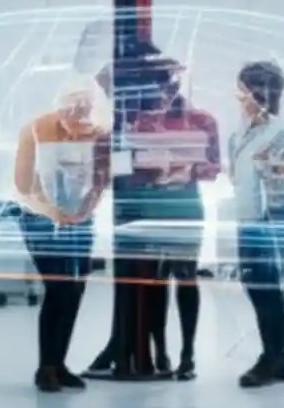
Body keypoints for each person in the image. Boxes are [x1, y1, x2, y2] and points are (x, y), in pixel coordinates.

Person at [89, 44, 220, 380]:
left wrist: (188, 168)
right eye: (157, 87)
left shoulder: (202, 120)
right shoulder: (137, 123)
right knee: (156, 280)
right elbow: (122, 163)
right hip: (150, 202)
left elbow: (214, 167)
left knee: (186, 277)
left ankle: (188, 354)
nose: (164, 93)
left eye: (169, 85)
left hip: (184, 202)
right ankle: (159, 350)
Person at [13, 77, 111, 392]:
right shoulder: (34, 129)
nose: (79, 116)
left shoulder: (97, 135)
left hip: (80, 218)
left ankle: (59, 362)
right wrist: (53, 212)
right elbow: (23, 184)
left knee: (76, 289)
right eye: (73, 109)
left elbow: (100, 181)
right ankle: (46, 367)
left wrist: (85, 210)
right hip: (40, 218)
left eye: (85, 110)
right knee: (58, 288)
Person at [229, 61, 284, 388]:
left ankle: (274, 359)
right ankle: (275, 357)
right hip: (247, 220)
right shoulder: (239, 135)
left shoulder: (280, 133)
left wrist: (271, 165)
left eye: (243, 91)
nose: (238, 97)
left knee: (268, 291)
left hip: (269, 221)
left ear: (259, 94)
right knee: (256, 289)